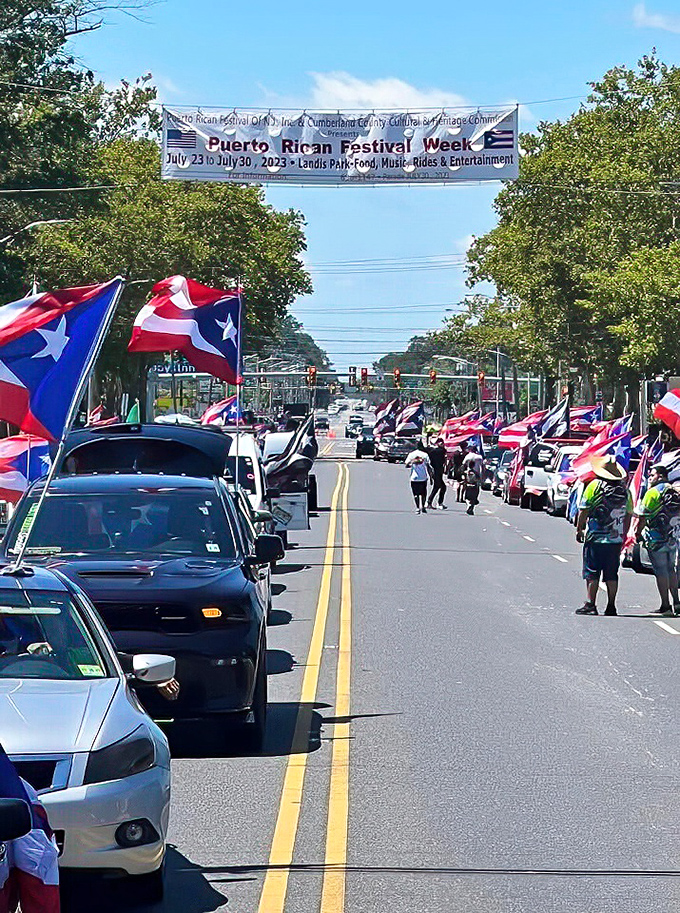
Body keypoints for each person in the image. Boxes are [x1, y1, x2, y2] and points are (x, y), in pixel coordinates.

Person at [575, 455, 633, 616]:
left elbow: (584, 509)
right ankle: (611, 606)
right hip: (615, 539)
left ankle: (591, 604)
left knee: (592, 571)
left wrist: (579, 529)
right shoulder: (625, 491)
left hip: (595, 537)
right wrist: (623, 534)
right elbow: (628, 515)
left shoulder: (594, 486)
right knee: (611, 573)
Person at [635, 463, 680, 615]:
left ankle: (666, 606)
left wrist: (637, 533)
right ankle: (677, 602)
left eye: (652, 475)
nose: (650, 477)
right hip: (672, 537)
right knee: (671, 569)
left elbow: (642, 516)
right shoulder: (675, 490)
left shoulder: (652, 493)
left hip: (656, 539)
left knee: (661, 571)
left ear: (660, 476)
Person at [405, 443, 432, 514]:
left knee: (415, 494)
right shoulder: (425, 455)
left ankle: (417, 508)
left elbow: (406, 464)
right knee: (423, 493)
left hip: (414, 478)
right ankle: (423, 507)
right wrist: (431, 477)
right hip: (423, 477)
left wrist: (412, 463)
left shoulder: (411, 454)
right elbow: (429, 466)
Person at [426, 438, 448, 510]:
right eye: (440, 443)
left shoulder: (436, 451)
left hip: (439, 471)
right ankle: (431, 502)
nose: (442, 444)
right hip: (436, 471)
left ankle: (436, 502)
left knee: (441, 487)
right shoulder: (437, 451)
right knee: (437, 487)